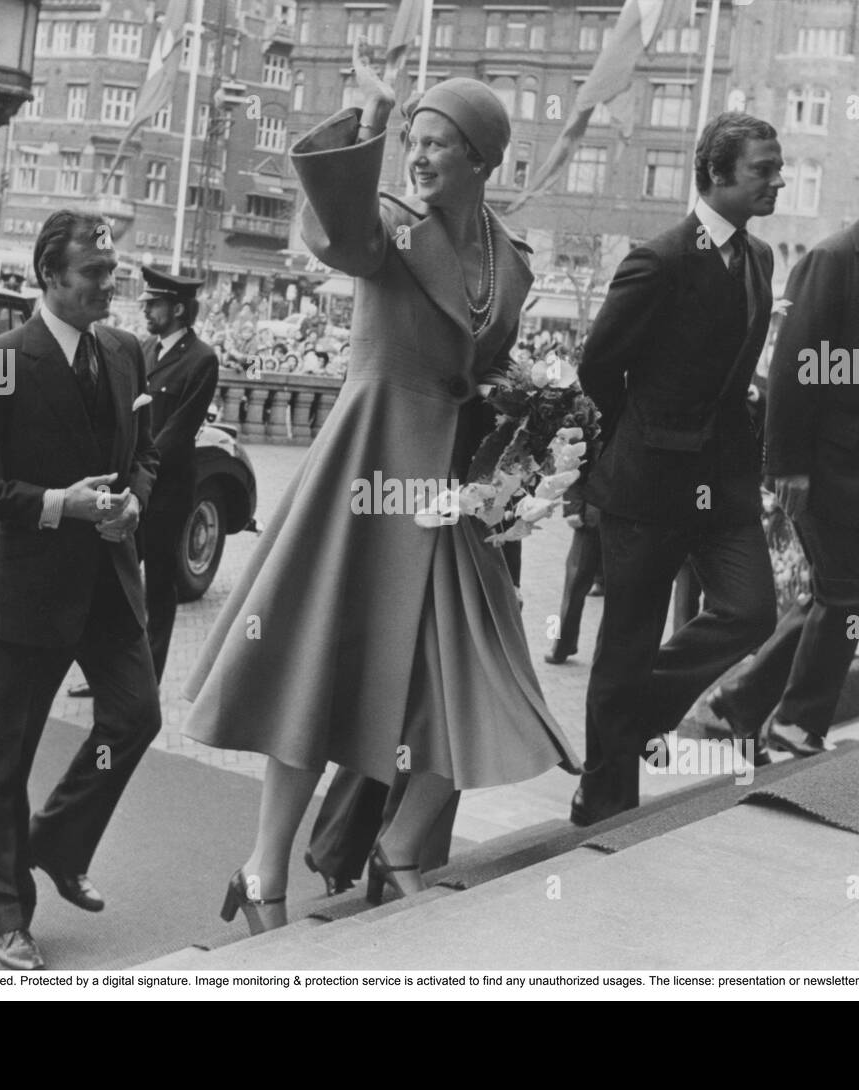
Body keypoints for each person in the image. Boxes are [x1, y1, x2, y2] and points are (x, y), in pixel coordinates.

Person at [183, 48, 578, 933]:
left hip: (449, 491)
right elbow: (336, 230)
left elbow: (489, 360)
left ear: (483, 159)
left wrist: (527, 431)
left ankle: (400, 845)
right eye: (416, 140)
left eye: (442, 144)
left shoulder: (509, 260)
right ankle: (264, 867)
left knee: (490, 678)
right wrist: (371, 117)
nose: (423, 156)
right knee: (317, 668)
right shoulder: (390, 224)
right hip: (368, 466)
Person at [0, 210, 162, 970]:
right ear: (49, 277)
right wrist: (59, 503)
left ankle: (57, 843)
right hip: (27, 589)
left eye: (111, 270)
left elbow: (147, 457)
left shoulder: (127, 352)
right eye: (94, 274)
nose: (110, 284)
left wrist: (133, 501)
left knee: (134, 718)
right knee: (9, 759)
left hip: (106, 581)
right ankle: (5, 912)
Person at [573, 112, 784, 826]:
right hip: (647, 481)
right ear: (717, 173)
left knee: (751, 609)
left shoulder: (760, 259)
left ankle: (632, 721)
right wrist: (645, 432)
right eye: (763, 169)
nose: (777, 180)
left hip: (723, 480)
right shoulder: (657, 260)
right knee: (626, 638)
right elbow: (599, 366)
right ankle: (604, 803)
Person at [709, 131, 859, 758]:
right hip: (825, 468)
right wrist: (787, 465)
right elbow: (795, 367)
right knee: (848, 594)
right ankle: (794, 722)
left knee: (835, 594)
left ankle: (735, 707)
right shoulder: (835, 259)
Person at [70, 268, 219, 694]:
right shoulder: (145, 348)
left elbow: (177, 431)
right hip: (135, 483)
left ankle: (145, 680)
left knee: (160, 586)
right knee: (113, 583)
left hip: (166, 490)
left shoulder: (202, 358)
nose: (145, 310)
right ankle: (106, 676)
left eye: (152, 304)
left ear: (176, 309)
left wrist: (138, 469)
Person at [544, 469, 602, 665]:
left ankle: (607, 655)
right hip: (591, 516)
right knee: (575, 582)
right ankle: (563, 646)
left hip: (625, 520)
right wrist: (573, 508)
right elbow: (574, 466)